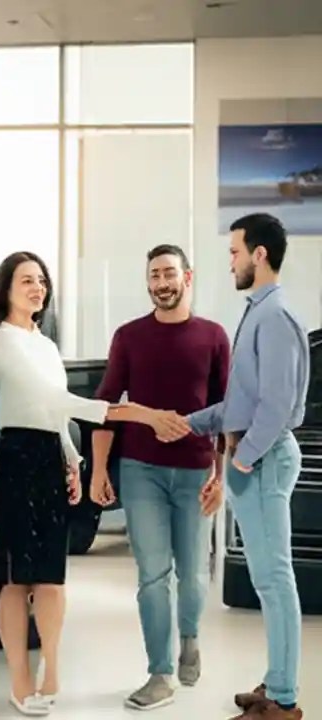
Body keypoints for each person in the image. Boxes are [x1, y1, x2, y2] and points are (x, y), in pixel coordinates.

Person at [0, 250, 187, 716]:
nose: (37, 289)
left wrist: (72, 460)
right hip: (15, 462)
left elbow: (53, 414)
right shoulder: (5, 342)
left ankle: (51, 670)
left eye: (42, 281)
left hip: (50, 457)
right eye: (27, 281)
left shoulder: (45, 344)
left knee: (52, 577)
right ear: (6, 290)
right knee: (17, 579)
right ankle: (19, 680)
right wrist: (135, 413)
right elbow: (55, 398)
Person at [166, 213, 309, 720]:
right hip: (255, 458)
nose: (230, 261)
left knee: (274, 580)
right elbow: (239, 403)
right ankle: (276, 683)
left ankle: (285, 701)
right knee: (271, 581)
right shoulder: (257, 312)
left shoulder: (274, 318)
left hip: (263, 460)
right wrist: (187, 422)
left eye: (234, 252)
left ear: (260, 254)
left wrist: (242, 462)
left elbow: (275, 406)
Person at [89, 244, 231, 710]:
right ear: (148, 282)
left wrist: (220, 476)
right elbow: (106, 404)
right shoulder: (128, 336)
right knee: (153, 574)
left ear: (187, 278)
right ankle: (160, 672)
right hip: (140, 470)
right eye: (154, 275)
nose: (162, 283)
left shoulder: (213, 336)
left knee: (192, 573)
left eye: (170, 273)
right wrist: (98, 471)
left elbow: (227, 413)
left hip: (195, 471)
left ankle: (189, 636)